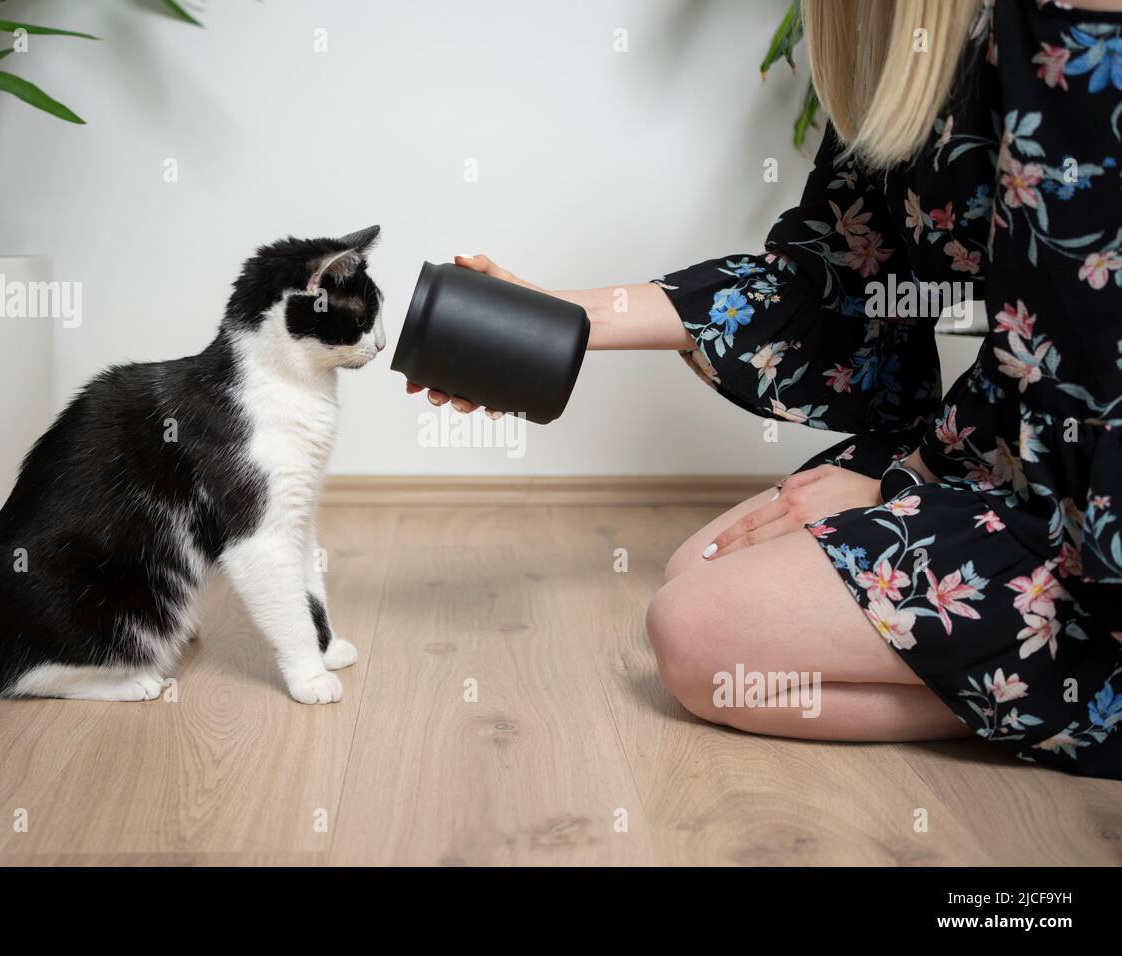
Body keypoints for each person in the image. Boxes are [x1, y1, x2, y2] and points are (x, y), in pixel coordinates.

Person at [408, 0, 1122, 779]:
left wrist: (896, 481)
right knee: (700, 580)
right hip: (1009, 444)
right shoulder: (925, 34)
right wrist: (560, 321)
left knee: (698, 634)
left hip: (1095, 505)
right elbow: (845, 271)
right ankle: (1066, 700)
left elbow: (1092, 358)